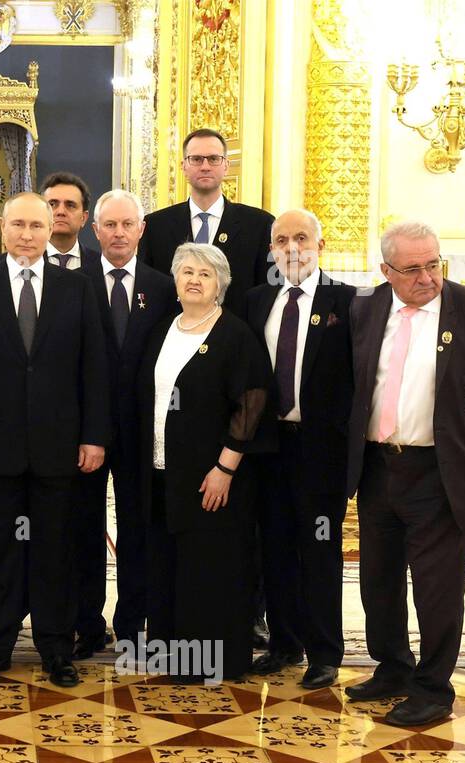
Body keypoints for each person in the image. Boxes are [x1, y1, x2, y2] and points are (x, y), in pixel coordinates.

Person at [345, 220, 465, 725]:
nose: (427, 277)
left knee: (437, 588)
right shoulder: (367, 308)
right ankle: (393, 667)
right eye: (413, 268)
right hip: (379, 469)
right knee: (378, 581)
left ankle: (433, 689)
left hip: (440, 474)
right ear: (386, 271)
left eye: (433, 264)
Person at [0, 192, 110, 688]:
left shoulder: (78, 288)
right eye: (18, 224)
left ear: (51, 230)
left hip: (60, 449)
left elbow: (94, 369)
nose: (27, 234)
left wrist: (94, 436)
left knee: (54, 551)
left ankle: (56, 650)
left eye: (37, 225)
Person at [139, 243, 269, 683]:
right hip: (162, 472)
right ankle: (170, 657)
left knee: (209, 567)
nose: (194, 279)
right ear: (174, 280)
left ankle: (212, 662)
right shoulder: (160, 330)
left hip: (212, 476)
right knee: (166, 563)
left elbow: (251, 403)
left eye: (206, 274)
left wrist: (225, 468)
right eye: (187, 271)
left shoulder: (234, 335)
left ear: (220, 286)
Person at [245, 210, 354, 689]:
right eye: (282, 239)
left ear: (320, 244)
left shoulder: (349, 303)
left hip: (320, 453)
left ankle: (325, 652)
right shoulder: (254, 302)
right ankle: (285, 644)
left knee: (319, 551)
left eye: (301, 238)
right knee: (274, 551)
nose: (291, 247)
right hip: (267, 451)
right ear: (271, 249)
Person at [71, 190, 177, 659]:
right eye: (108, 225)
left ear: (141, 229)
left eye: (126, 224)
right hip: (85, 431)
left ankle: (133, 624)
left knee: (139, 529)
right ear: (94, 231)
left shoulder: (163, 286)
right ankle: (86, 624)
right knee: (84, 530)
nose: (117, 233)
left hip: (143, 432)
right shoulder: (71, 283)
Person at [139, 129, 274, 320]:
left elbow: (268, 293)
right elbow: (148, 289)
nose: (205, 166)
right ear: (183, 166)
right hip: (174, 336)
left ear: (226, 165)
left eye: (213, 159)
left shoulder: (259, 224)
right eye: (196, 159)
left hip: (237, 338)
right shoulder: (155, 226)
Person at [41, 172, 100, 272]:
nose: (61, 212)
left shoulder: (100, 264)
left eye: (70, 205)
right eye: (52, 204)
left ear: (84, 218)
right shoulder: (26, 261)